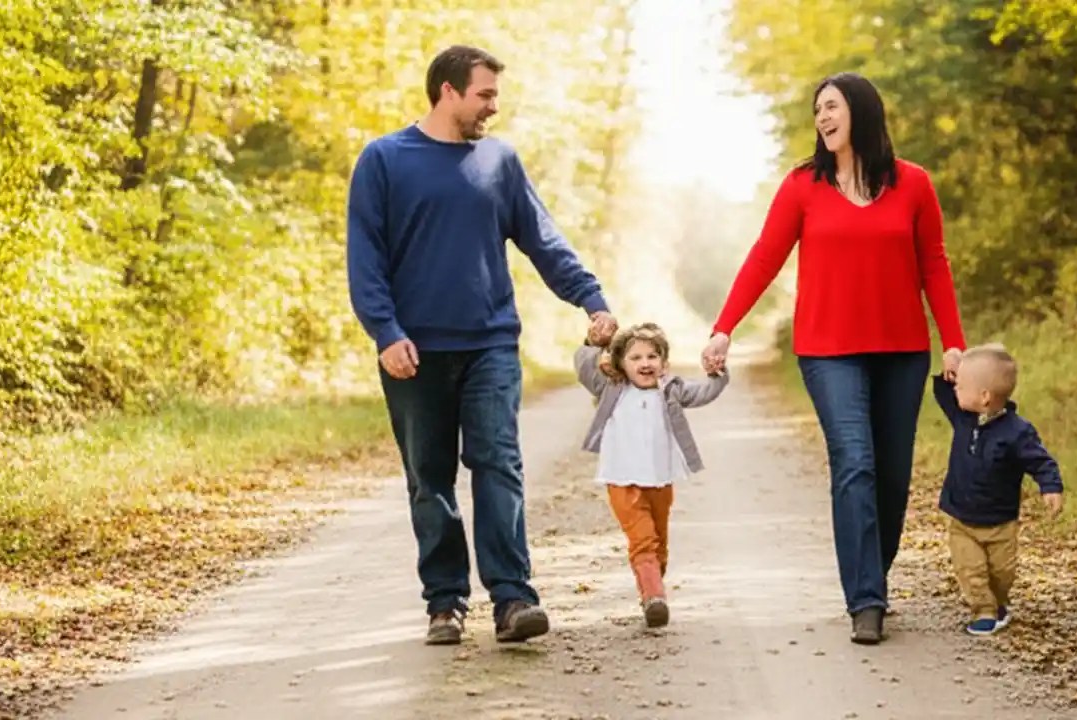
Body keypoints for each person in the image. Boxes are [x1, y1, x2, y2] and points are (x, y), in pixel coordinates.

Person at [346, 45, 618, 646]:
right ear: (448, 91)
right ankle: (445, 602)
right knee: (429, 476)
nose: (493, 107)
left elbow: (543, 240)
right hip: (414, 353)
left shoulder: (499, 162)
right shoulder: (384, 160)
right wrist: (386, 333)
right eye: (484, 95)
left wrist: (591, 299)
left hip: (491, 343)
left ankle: (512, 598)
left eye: (495, 95)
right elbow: (365, 263)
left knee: (499, 463)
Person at [701, 72, 967, 644]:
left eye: (831, 107)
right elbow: (765, 257)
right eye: (817, 109)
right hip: (828, 350)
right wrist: (725, 327)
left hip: (901, 351)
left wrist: (954, 340)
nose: (821, 118)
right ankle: (865, 600)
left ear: (862, 113)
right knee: (855, 463)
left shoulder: (914, 184)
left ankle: (874, 569)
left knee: (893, 477)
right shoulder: (802, 185)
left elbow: (934, 265)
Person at [574, 322, 729, 627]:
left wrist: (717, 373)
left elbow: (704, 392)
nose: (645, 363)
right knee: (642, 540)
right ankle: (654, 598)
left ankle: (652, 588)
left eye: (652, 356)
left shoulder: (670, 389)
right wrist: (592, 343)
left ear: (664, 363)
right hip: (622, 479)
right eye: (635, 358)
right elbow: (582, 367)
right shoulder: (611, 387)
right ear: (620, 363)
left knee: (659, 542)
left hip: (660, 479)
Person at [931, 343, 1063, 636]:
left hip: (1001, 522)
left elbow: (1040, 461)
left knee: (1002, 573)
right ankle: (984, 610)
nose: (955, 390)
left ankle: (998, 601)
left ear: (985, 396)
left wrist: (1050, 486)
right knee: (971, 570)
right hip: (962, 517)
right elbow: (942, 392)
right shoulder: (963, 417)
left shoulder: (1017, 432)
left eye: (961, 386)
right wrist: (950, 368)